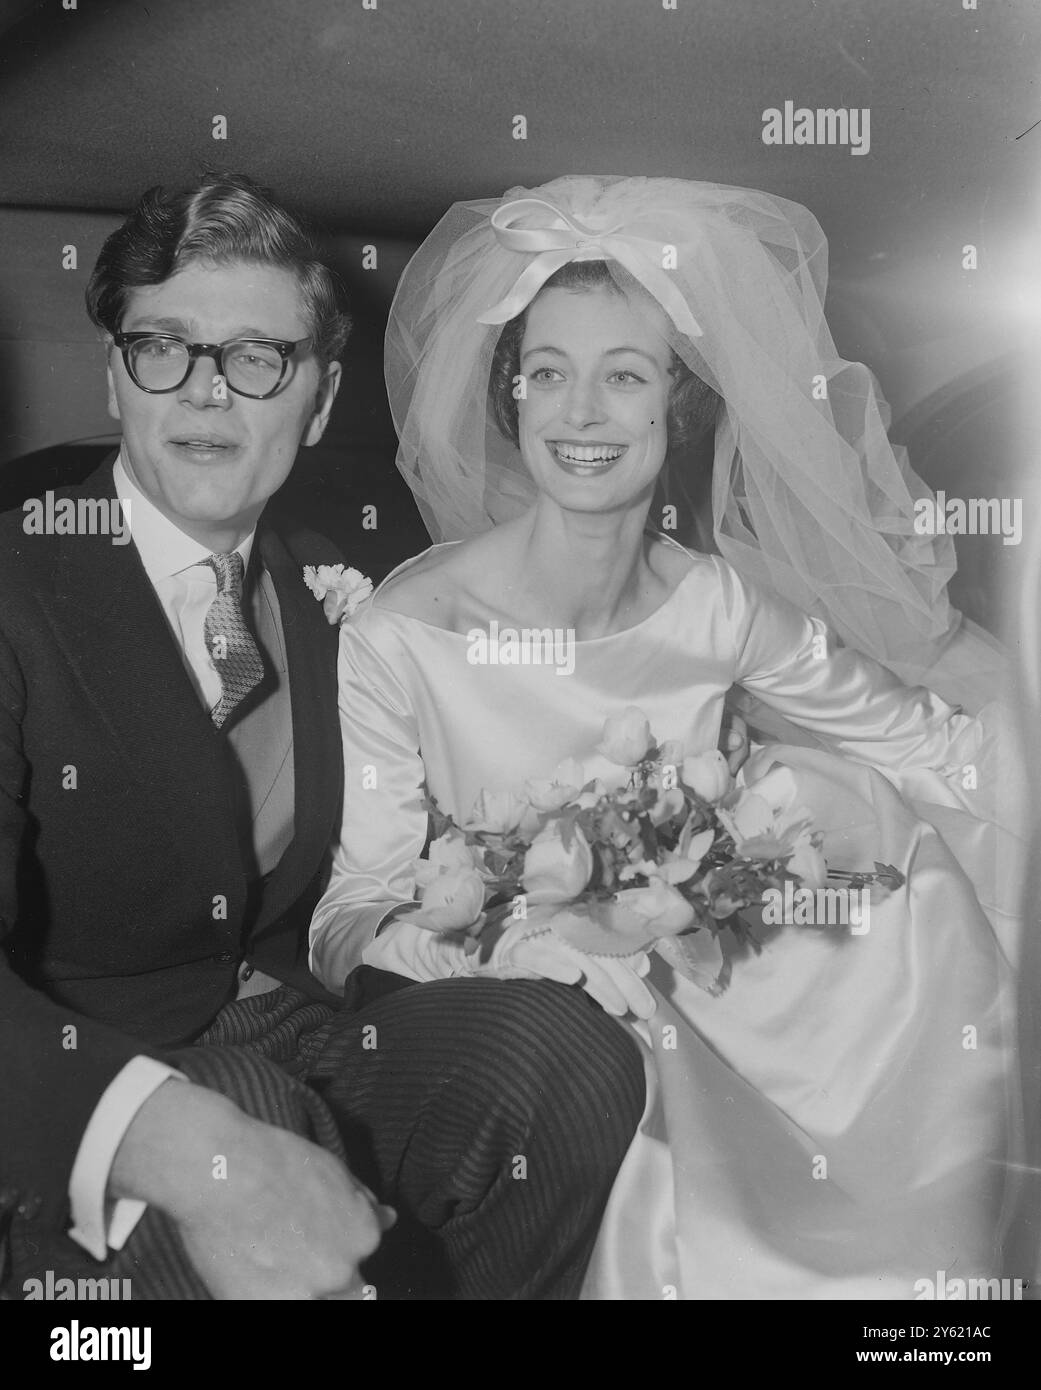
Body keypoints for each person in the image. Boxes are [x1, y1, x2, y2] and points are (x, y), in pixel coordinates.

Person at [309, 175, 1030, 1299]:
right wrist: (507, 956)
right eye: (547, 373)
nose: (580, 414)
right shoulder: (408, 631)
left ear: (677, 408)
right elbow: (349, 915)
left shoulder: (720, 607)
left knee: (884, 863)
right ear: (513, 396)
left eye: (624, 377)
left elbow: (925, 743)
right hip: (572, 1020)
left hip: (758, 987)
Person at [0, 172, 648, 1302]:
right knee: (242, 1118)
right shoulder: (17, 584)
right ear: (116, 372)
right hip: (89, 1072)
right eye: (164, 348)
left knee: (569, 1056)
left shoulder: (345, 578)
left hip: (307, 1020)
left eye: (260, 358)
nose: (208, 396)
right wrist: (163, 1127)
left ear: (322, 394)